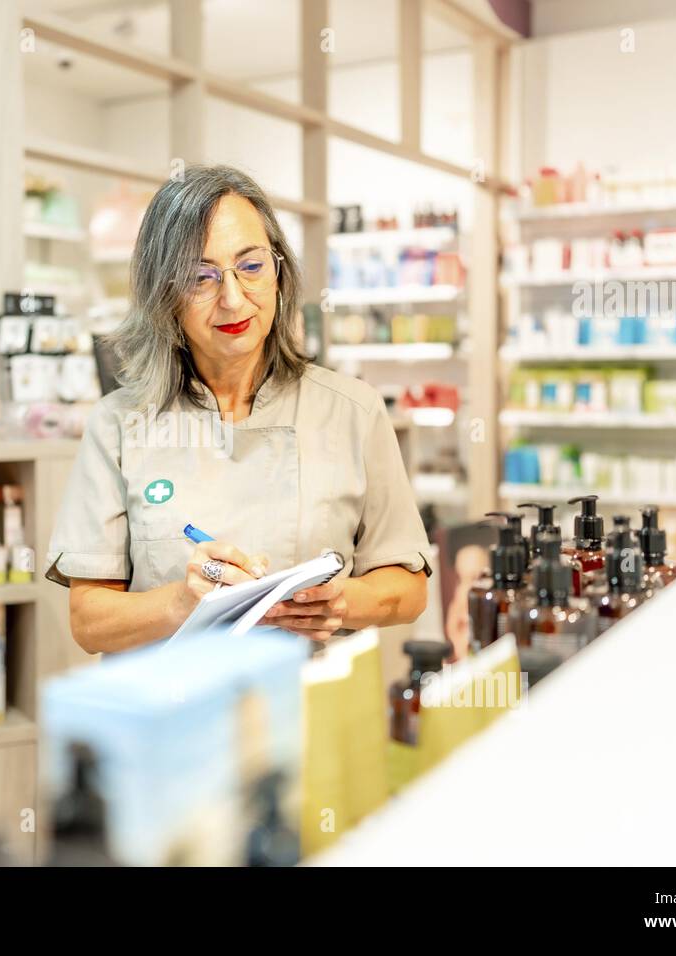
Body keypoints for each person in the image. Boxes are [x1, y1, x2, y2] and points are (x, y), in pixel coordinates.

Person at [45, 165, 431, 653]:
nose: (232, 299)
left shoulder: (354, 412)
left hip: (310, 707)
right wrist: (182, 603)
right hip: (176, 717)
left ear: (279, 272)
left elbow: (410, 589)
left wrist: (341, 601)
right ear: (162, 295)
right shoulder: (119, 425)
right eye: (200, 278)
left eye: (251, 267)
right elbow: (88, 622)